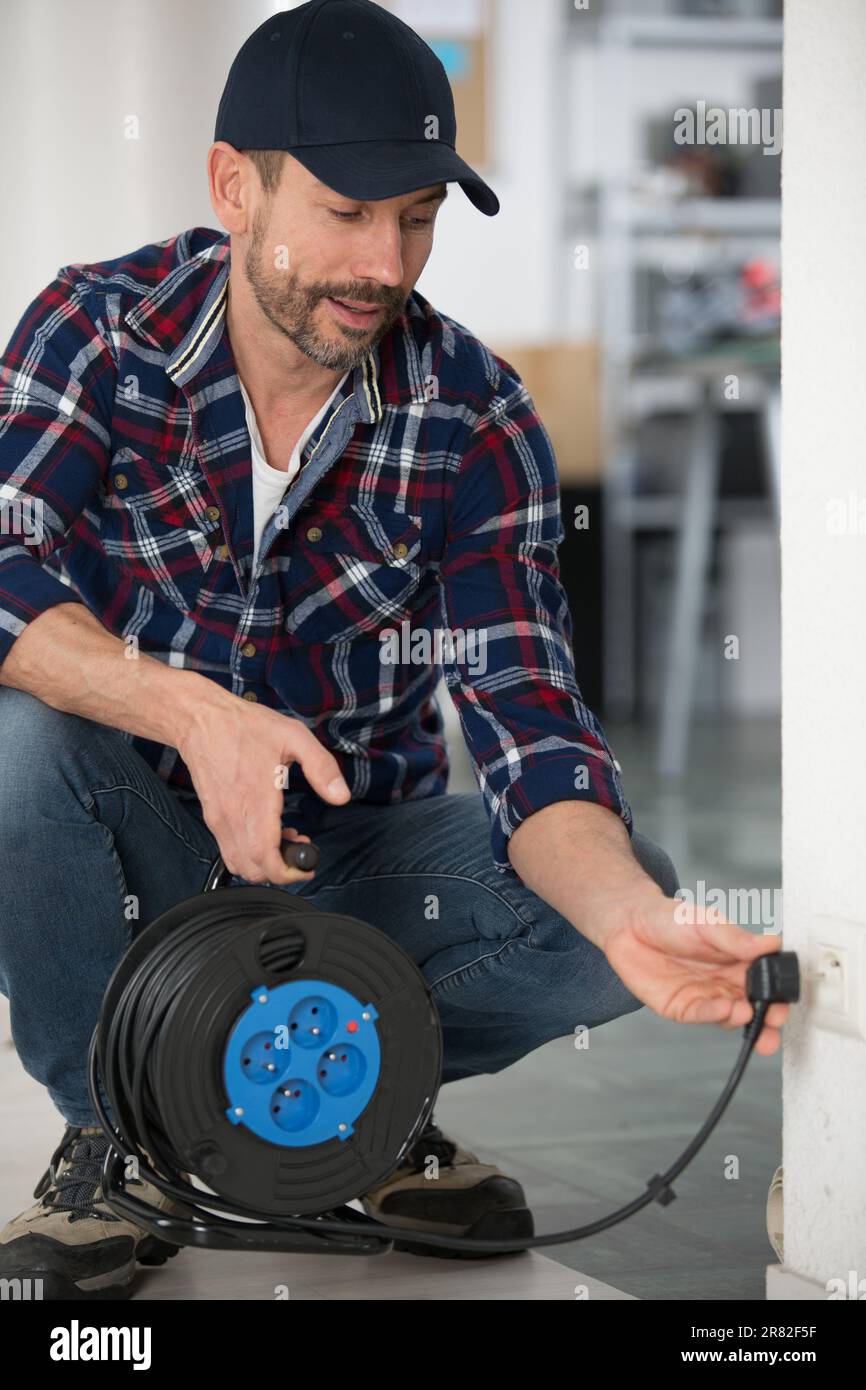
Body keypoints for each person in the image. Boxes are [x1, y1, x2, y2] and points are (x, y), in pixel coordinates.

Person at [0, 0, 788, 1300]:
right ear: (232, 187)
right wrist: (197, 714)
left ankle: (355, 1106)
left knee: (607, 894)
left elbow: (533, 734)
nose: (385, 259)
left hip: (336, 875)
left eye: (415, 216)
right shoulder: (97, 334)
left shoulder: (472, 414)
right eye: (346, 211)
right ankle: (121, 1124)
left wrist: (628, 918)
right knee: (22, 727)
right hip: (129, 859)